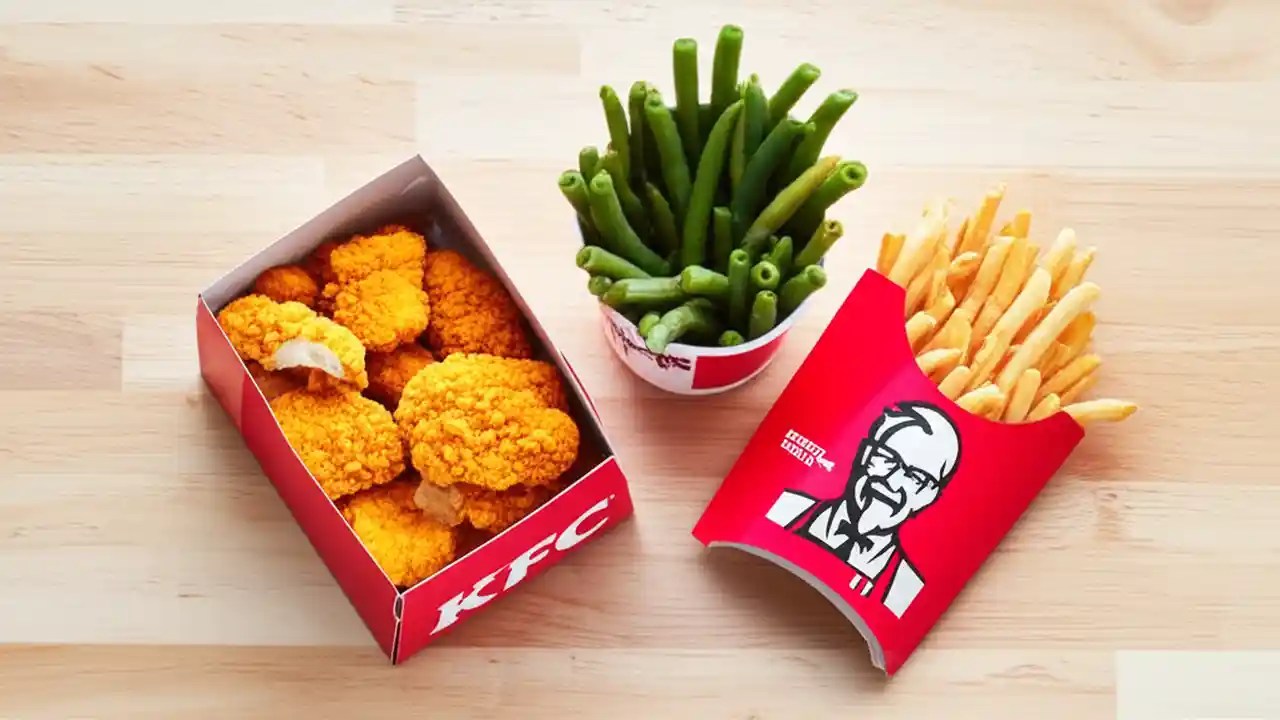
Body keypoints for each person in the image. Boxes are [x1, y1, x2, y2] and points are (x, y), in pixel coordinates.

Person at [764, 401, 961, 618]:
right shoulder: (784, 509)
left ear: (928, 497)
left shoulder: (906, 589)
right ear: (865, 455)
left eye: (916, 477)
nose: (892, 483)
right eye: (888, 459)